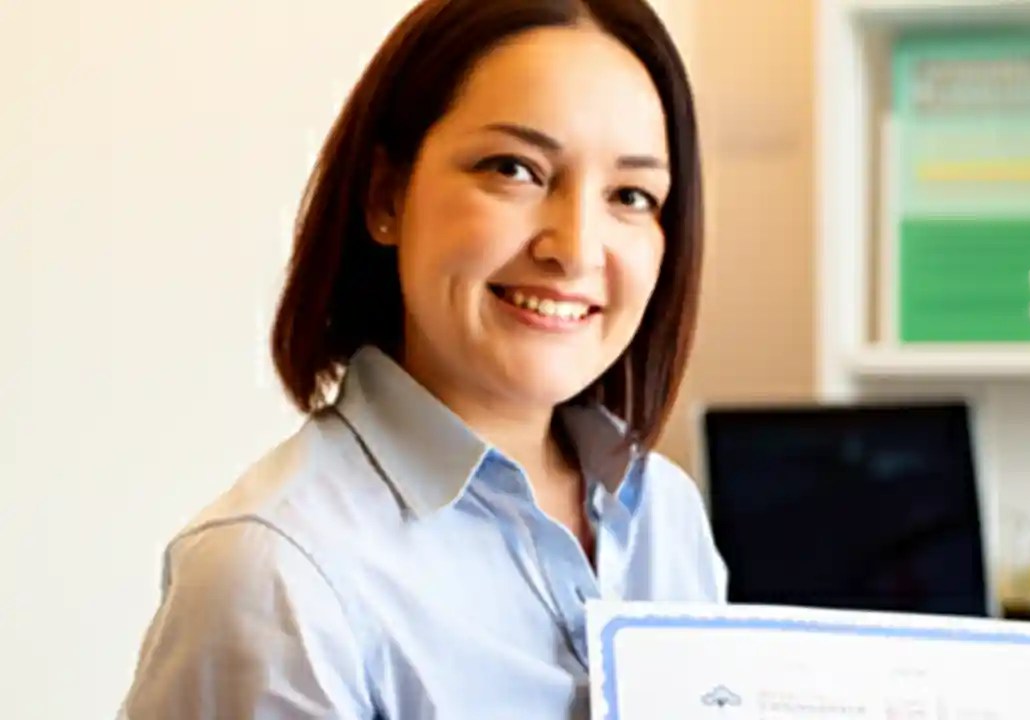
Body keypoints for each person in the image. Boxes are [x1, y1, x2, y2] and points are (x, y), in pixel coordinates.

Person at [119, 0, 724, 717]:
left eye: (630, 195)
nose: (576, 248)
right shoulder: (274, 573)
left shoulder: (663, 513)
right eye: (515, 169)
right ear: (386, 196)